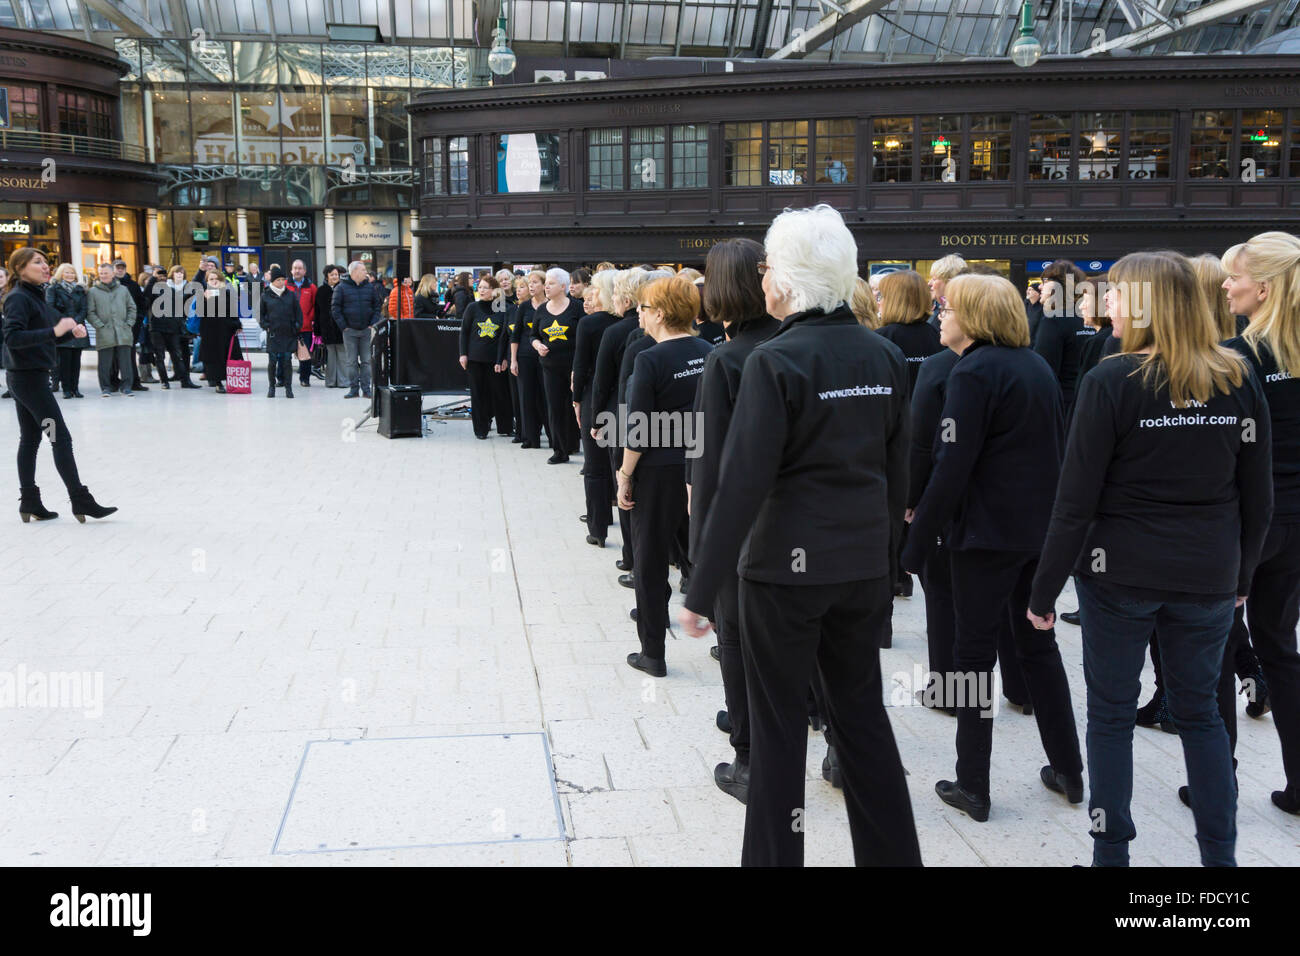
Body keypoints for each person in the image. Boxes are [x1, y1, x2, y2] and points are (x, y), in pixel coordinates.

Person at [680, 205, 921, 867]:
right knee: (862, 721)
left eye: (766, 269)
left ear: (783, 281)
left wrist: (700, 590)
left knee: (781, 734)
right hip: (861, 566)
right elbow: (896, 475)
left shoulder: (774, 362)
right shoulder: (884, 354)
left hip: (782, 576)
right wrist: (890, 562)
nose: (762, 280)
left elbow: (742, 485)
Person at [1029, 250, 1273, 865]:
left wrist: (1042, 593)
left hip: (1121, 576)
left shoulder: (1111, 381)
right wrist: (1240, 577)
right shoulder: (1236, 376)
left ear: (1145, 304)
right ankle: (1220, 859)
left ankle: (1111, 855)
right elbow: (1258, 497)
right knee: (1202, 718)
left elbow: (1073, 501)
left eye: (1115, 293)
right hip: (1207, 574)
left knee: (1110, 717)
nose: (1103, 303)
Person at [901, 272, 1084, 824]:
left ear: (974, 317)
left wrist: (912, 544)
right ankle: (1070, 769)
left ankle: (973, 785)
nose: (940, 315)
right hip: (1035, 534)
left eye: (949, 308)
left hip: (984, 538)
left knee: (973, 660)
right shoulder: (1034, 367)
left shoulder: (973, 371)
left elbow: (951, 464)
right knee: (1038, 649)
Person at [688, 238, 780, 803]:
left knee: (739, 643)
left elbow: (709, 467)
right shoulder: (796, 344)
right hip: (802, 524)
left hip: (743, 533)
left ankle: (749, 763)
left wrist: (703, 556)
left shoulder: (726, 358)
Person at [1223, 232, 1300, 816]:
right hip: (1295, 524)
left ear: (1265, 288)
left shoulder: (1239, 358)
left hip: (1249, 522)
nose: (1227, 286)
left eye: (1235, 278)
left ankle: (1215, 781)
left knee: (1215, 644)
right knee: (1280, 647)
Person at [619, 274, 713, 677]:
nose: (639, 314)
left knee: (650, 561)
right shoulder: (710, 350)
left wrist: (624, 473)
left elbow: (638, 427)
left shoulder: (650, 359)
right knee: (703, 555)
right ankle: (727, 642)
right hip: (701, 467)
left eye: (642, 307)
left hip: (657, 472)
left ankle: (652, 652)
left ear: (658, 313)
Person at [3, 248, 115, 522]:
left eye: (45, 262)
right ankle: (79, 499)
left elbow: (41, 340)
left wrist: (65, 334)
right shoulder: (18, 298)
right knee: (59, 437)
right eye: (37, 262)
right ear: (20, 269)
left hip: (29, 377)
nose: (45, 267)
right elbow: (13, 338)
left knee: (30, 439)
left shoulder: (34, 296)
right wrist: (55, 330)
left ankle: (29, 501)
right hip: (30, 382)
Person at [875, 269, 943, 602]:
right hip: (936, 436)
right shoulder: (937, 337)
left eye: (882, 296)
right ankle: (909, 572)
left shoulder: (884, 338)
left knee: (893, 513)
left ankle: (896, 575)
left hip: (897, 437)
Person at [571, 269, 621, 547]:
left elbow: (580, 367)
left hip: (593, 394)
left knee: (595, 465)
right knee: (619, 464)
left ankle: (598, 527)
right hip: (623, 399)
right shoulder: (632, 323)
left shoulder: (590, 325)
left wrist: (576, 398)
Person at [531, 268, 584, 463]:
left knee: (574, 406)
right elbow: (533, 335)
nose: (546, 286)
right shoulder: (542, 310)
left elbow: (584, 337)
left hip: (573, 366)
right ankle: (559, 450)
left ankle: (573, 443)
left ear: (563, 286)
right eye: (546, 283)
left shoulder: (577, 307)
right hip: (550, 367)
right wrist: (537, 345)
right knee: (554, 408)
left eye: (551, 283)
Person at [1034, 258, 1094, 414]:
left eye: (1044, 281)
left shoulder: (1054, 319)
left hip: (1062, 405)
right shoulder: (1090, 316)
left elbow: (1043, 370)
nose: (1040, 286)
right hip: (1090, 400)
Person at [459, 275, 509, 439]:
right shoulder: (472, 307)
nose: (481, 290)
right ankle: (480, 429)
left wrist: (503, 358)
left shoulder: (501, 307)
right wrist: (463, 354)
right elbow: (464, 332)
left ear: (494, 290)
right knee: (478, 394)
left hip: (495, 359)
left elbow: (505, 334)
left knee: (499, 393)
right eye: (479, 287)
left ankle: (505, 426)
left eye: (485, 287)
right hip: (475, 358)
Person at [510, 270, 550, 449]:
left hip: (547, 357)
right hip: (525, 356)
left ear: (544, 284)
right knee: (526, 397)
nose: (531, 286)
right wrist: (513, 360)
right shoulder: (524, 307)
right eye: (530, 283)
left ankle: (553, 437)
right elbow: (515, 335)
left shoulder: (551, 305)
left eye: (535, 282)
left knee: (546, 397)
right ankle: (530, 437)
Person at [332, 261, 381, 400]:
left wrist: (372, 324)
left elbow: (377, 306)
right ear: (354, 272)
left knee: (366, 361)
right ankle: (353, 389)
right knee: (351, 362)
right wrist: (344, 326)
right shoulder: (341, 288)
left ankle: (366, 389)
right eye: (363, 270)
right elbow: (335, 308)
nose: (366, 272)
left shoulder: (370, 287)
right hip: (350, 331)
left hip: (366, 330)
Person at [86, 262, 136, 398]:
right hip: (104, 333)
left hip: (123, 331)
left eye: (106, 273)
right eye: (101, 273)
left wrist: (129, 323)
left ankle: (126, 387)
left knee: (126, 363)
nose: (103, 276)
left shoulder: (123, 290)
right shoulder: (93, 292)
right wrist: (100, 326)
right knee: (105, 364)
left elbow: (132, 307)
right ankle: (106, 388)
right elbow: (90, 312)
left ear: (113, 274)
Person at [150, 265, 199, 390]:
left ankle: (184, 381)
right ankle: (164, 382)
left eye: (163, 276)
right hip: (157, 328)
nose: (161, 278)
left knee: (177, 356)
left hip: (172, 328)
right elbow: (145, 298)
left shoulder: (170, 290)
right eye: (158, 276)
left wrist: (189, 295)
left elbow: (180, 303)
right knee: (160, 356)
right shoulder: (152, 289)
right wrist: (152, 279)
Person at [260, 265, 303, 399]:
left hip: (288, 333)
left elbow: (298, 313)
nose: (281, 282)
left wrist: (296, 326)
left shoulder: (290, 295)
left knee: (287, 361)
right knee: (272, 362)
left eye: (283, 279)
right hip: (273, 333)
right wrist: (266, 326)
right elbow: (261, 315)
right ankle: (271, 387)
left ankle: (288, 388)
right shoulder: (265, 295)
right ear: (272, 281)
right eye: (278, 280)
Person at [46, 263, 87, 399]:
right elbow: (51, 309)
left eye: (72, 273)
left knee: (76, 362)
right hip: (63, 329)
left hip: (78, 329)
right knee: (64, 362)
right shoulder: (53, 289)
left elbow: (83, 309)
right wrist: (68, 322)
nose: (70, 275)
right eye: (67, 273)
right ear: (61, 274)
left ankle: (75, 388)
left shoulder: (80, 290)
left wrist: (75, 322)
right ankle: (67, 389)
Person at [198, 269, 242, 393]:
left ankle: (233, 380)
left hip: (227, 330)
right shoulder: (203, 294)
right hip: (211, 332)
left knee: (230, 356)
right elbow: (201, 313)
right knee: (214, 358)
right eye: (211, 279)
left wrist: (238, 324)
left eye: (216, 278)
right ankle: (217, 382)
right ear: (207, 281)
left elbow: (233, 311)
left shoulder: (227, 293)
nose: (214, 281)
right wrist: (207, 299)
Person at [112, 259, 148, 391]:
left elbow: (141, 304)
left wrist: (137, 321)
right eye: (118, 268)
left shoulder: (133, 285)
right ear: (113, 269)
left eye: (122, 267)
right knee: (114, 355)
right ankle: (113, 383)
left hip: (131, 326)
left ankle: (134, 382)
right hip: (113, 325)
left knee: (130, 355)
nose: (120, 270)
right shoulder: (108, 284)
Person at [288, 260, 317, 388]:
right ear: (291, 270)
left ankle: (305, 379)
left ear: (304, 271)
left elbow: (315, 306)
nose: (297, 271)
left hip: (305, 327)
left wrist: (308, 318)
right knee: (283, 355)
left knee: (305, 356)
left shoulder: (311, 287)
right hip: (287, 327)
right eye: (295, 268)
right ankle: (282, 379)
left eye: (300, 268)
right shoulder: (285, 285)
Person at [316, 266, 344, 387]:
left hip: (341, 328)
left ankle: (343, 381)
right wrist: (317, 330)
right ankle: (331, 381)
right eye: (332, 274)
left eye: (336, 274)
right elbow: (317, 311)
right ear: (327, 276)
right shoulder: (321, 290)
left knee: (343, 355)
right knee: (330, 356)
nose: (335, 277)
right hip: (326, 327)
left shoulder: (343, 289)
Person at [926, 254, 967, 329]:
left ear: (949, 283)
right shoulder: (937, 307)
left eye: (934, 279)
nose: (929, 283)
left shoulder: (958, 314)